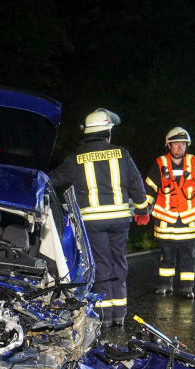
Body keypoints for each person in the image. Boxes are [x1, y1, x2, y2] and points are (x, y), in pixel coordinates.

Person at [49, 108, 150, 327]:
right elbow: (136, 185)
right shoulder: (122, 154)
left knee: (101, 264)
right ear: (108, 133)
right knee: (119, 262)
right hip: (120, 220)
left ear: (86, 133)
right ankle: (120, 314)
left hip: (93, 222)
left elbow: (51, 181)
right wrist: (143, 210)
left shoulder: (75, 159)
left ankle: (104, 315)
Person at [143, 127, 195, 299]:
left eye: (183, 143)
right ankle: (164, 285)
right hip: (166, 222)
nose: (180, 147)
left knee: (188, 257)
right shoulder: (160, 164)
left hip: (189, 222)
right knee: (167, 257)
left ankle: (187, 288)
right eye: (176, 143)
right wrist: (144, 209)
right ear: (168, 145)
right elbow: (150, 189)